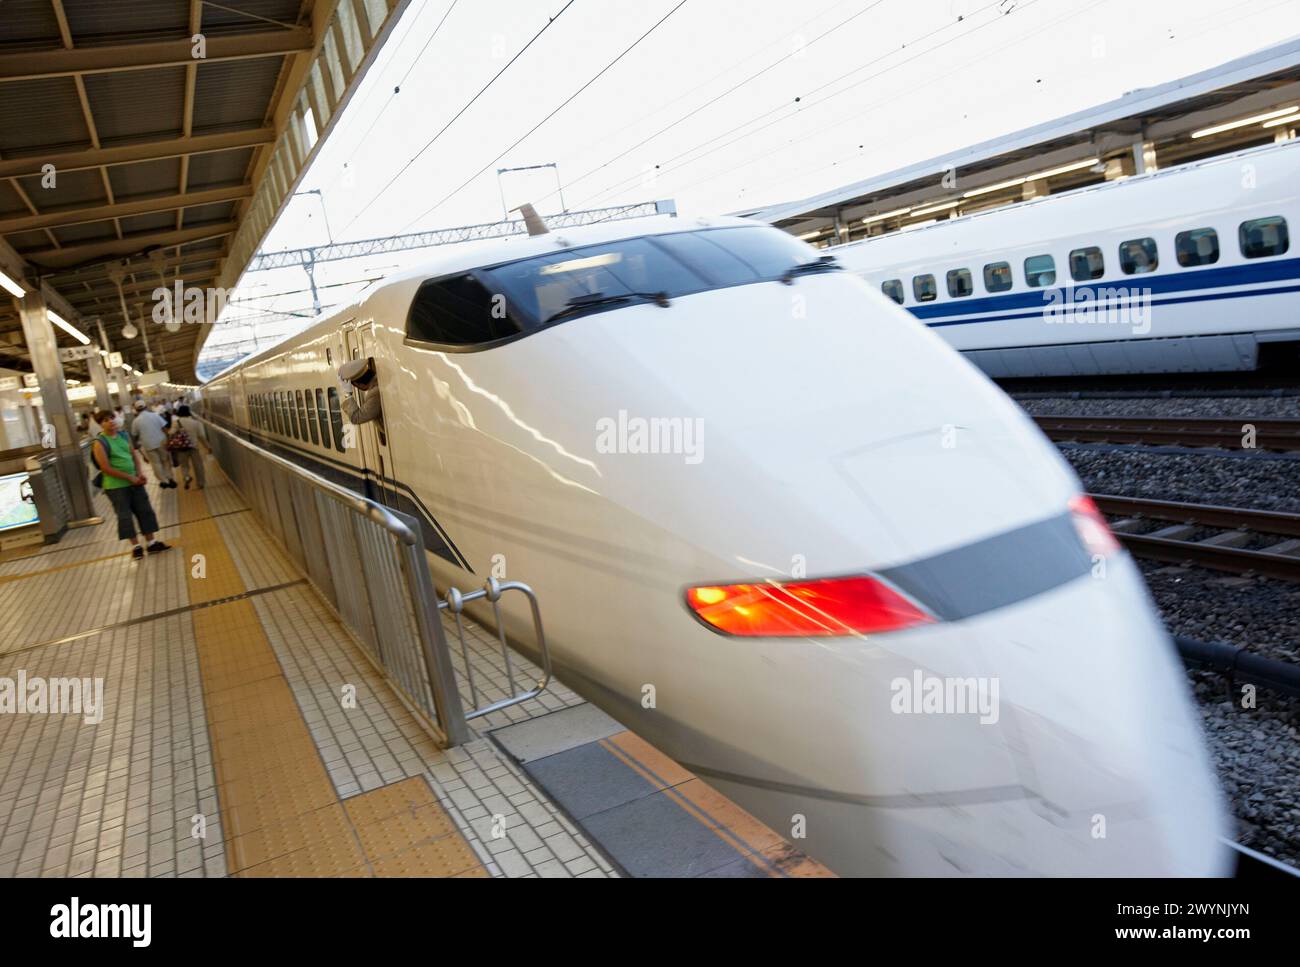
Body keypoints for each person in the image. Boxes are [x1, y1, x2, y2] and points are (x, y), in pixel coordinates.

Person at [90, 410, 169, 560]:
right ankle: (136, 547)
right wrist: (129, 478)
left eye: (112, 418)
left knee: (144, 510)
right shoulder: (100, 443)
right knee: (124, 515)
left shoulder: (124, 435)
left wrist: (139, 473)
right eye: (105, 420)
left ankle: (151, 543)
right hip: (115, 486)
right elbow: (105, 467)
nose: (110, 422)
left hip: (135, 481)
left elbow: (134, 456)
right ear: (101, 424)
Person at [131, 401, 176, 488]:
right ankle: (170, 478)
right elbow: (164, 428)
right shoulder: (155, 415)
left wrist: (138, 447)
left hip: (148, 445)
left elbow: (135, 435)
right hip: (161, 442)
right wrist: (169, 439)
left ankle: (163, 481)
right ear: (146, 407)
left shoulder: (135, 421)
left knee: (156, 463)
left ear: (136, 410)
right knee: (165, 460)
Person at [167, 404, 205, 490]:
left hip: (181, 448)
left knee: (184, 465)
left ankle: (187, 477)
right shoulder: (195, 422)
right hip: (194, 447)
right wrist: (207, 446)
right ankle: (200, 483)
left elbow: (170, 433)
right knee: (198, 465)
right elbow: (201, 436)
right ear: (189, 412)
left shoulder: (176, 423)